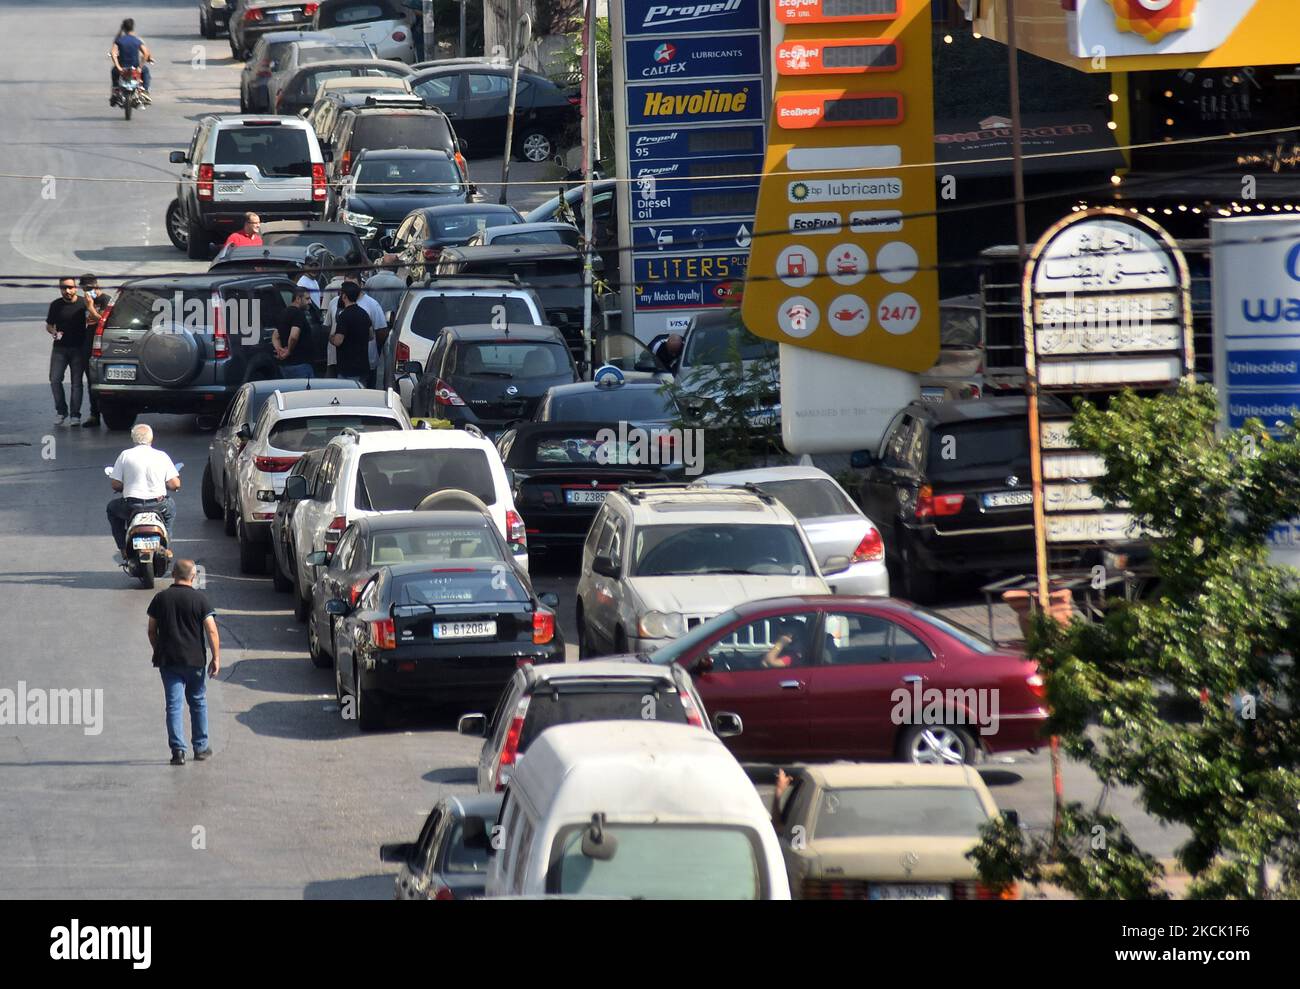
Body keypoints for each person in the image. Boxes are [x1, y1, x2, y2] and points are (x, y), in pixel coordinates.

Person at [147, 559, 220, 766]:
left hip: (168, 661)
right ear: (193, 576)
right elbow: (211, 630)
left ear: (173, 575)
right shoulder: (200, 600)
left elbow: (151, 630)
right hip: (195, 661)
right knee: (197, 701)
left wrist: (158, 648)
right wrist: (216, 657)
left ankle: (178, 751)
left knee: (173, 705)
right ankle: (200, 747)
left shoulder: (160, 598)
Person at [107, 423, 180, 564]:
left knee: (111, 508)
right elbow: (175, 484)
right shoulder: (161, 456)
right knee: (170, 509)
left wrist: (126, 485)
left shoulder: (125, 455)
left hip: (131, 505)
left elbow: (115, 484)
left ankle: (122, 548)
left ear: (133, 439)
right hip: (159, 504)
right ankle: (167, 546)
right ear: (151, 439)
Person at [327, 279, 385, 386]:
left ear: (344, 296)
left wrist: (331, 337)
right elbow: (371, 336)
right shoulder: (364, 313)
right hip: (363, 367)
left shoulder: (344, 316)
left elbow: (338, 341)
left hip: (347, 369)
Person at [47, 277, 88, 427]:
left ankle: (75, 415)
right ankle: (61, 411)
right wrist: (54, 332)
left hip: (78, 349)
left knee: (77, 383)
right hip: (60, 348)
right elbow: (49, 325)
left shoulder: (84, 303)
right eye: (64, 288)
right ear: (60, 289)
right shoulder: (56, 305)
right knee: (55, 379)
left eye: (70, 287)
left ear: (75, 287)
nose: (67, 291)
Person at [79, 274, 110, 428]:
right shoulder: (83, 301)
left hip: (100, 346)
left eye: (91, 288)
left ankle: (108, 413)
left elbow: (103, 321)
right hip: (86, 346)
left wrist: (90, 307)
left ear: (97, 286)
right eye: (85, 289)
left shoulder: (105, 300)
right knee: (91, 382)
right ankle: (94, 415)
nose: (89, 291)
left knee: (101, 381)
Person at [273, 288, 317, 379]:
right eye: (307, 299)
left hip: (285, 366)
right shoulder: (298, 314)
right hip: (300, 364)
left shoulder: (283, 313)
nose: (310, 302)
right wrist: (288, 351)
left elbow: (275, 335)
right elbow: (294, 336)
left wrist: (279, 350)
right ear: (298, 299)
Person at [110, 19, 152, 104]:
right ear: (133, 27)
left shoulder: (120, 40)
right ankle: (145, 91)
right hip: (135, 67)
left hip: (122, 68)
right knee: (146, 71)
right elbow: (146, 53)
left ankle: (115, 90)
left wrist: (118, 67)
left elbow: (113, 53)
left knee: (114, 71)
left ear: (123, 28)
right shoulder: (137, 40)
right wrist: (140, 67)